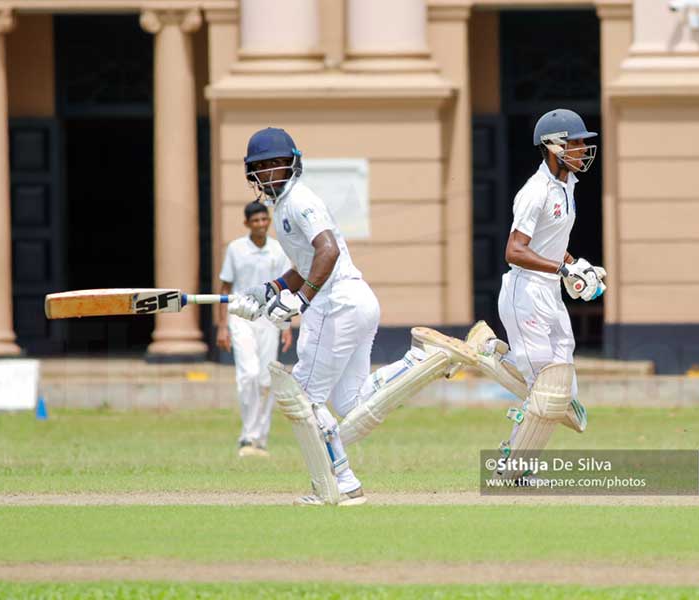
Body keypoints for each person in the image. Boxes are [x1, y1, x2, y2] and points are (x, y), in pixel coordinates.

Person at [228, 127, 478, 506]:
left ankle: (340, 482)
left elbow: (326, 251)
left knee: (304, 399)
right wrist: (271, 289)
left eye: (275, 164)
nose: (267, 173)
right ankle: (423, 359)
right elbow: (306, 264)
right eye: (261, 167)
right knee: (352, 403)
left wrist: (302, 298)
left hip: (336, 305)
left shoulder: (298, 201)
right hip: (355, 302)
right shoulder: (282, 210)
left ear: (291, 164)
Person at [465, 109, 606, 479]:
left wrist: (577, 267)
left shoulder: (567, 186)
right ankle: (488, 355)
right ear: (553, 147)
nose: (582, 150)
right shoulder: (535, 191)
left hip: (548, 293)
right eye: (575, 143)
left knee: (561, 390)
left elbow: (550, 243)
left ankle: (517, 465)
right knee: (542, 384)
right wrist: (562, 270)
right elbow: (514, 250)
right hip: (525, 291)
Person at [217, 201, 293, 457]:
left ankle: (259, 438)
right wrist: (221, 327)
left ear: (268, 221)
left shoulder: (277, 250)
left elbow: (285, 289)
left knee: (265, 379)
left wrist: (286, 326)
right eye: (256, 221)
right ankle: (247, 436)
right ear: (247, 224)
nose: (261, 224)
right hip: (240, 317)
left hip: (268, 318)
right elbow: (225, 288)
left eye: (264, 220)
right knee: (248, 374)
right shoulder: (236, 249)